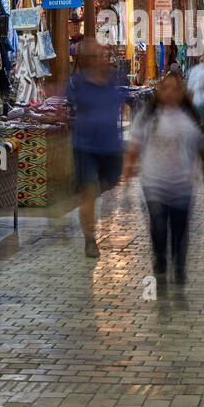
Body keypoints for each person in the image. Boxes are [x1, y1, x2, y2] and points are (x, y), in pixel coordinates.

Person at [125, 72, 204, 283]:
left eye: (175, 88)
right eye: (166, 88)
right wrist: (128, 167)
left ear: (182, 93)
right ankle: (160, 260)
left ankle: (179, 264)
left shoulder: (193, 119)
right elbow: (134, 146)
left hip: (182, 184)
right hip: (154, 183)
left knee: (180, 229)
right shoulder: (147, 116)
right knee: (158, 226)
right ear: (160, 91)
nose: (171, 92)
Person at [66, 39, 127, 258]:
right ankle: (90, 239)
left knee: (108, 185)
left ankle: (88, 203)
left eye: (102, 56)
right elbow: (64, 106)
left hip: (111, 146)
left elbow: (124, 101)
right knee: (89, 193)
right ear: (85, 60)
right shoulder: (76, 82)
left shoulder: (115, 80)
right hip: (85, 146)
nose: (100, 60)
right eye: (94, 56)